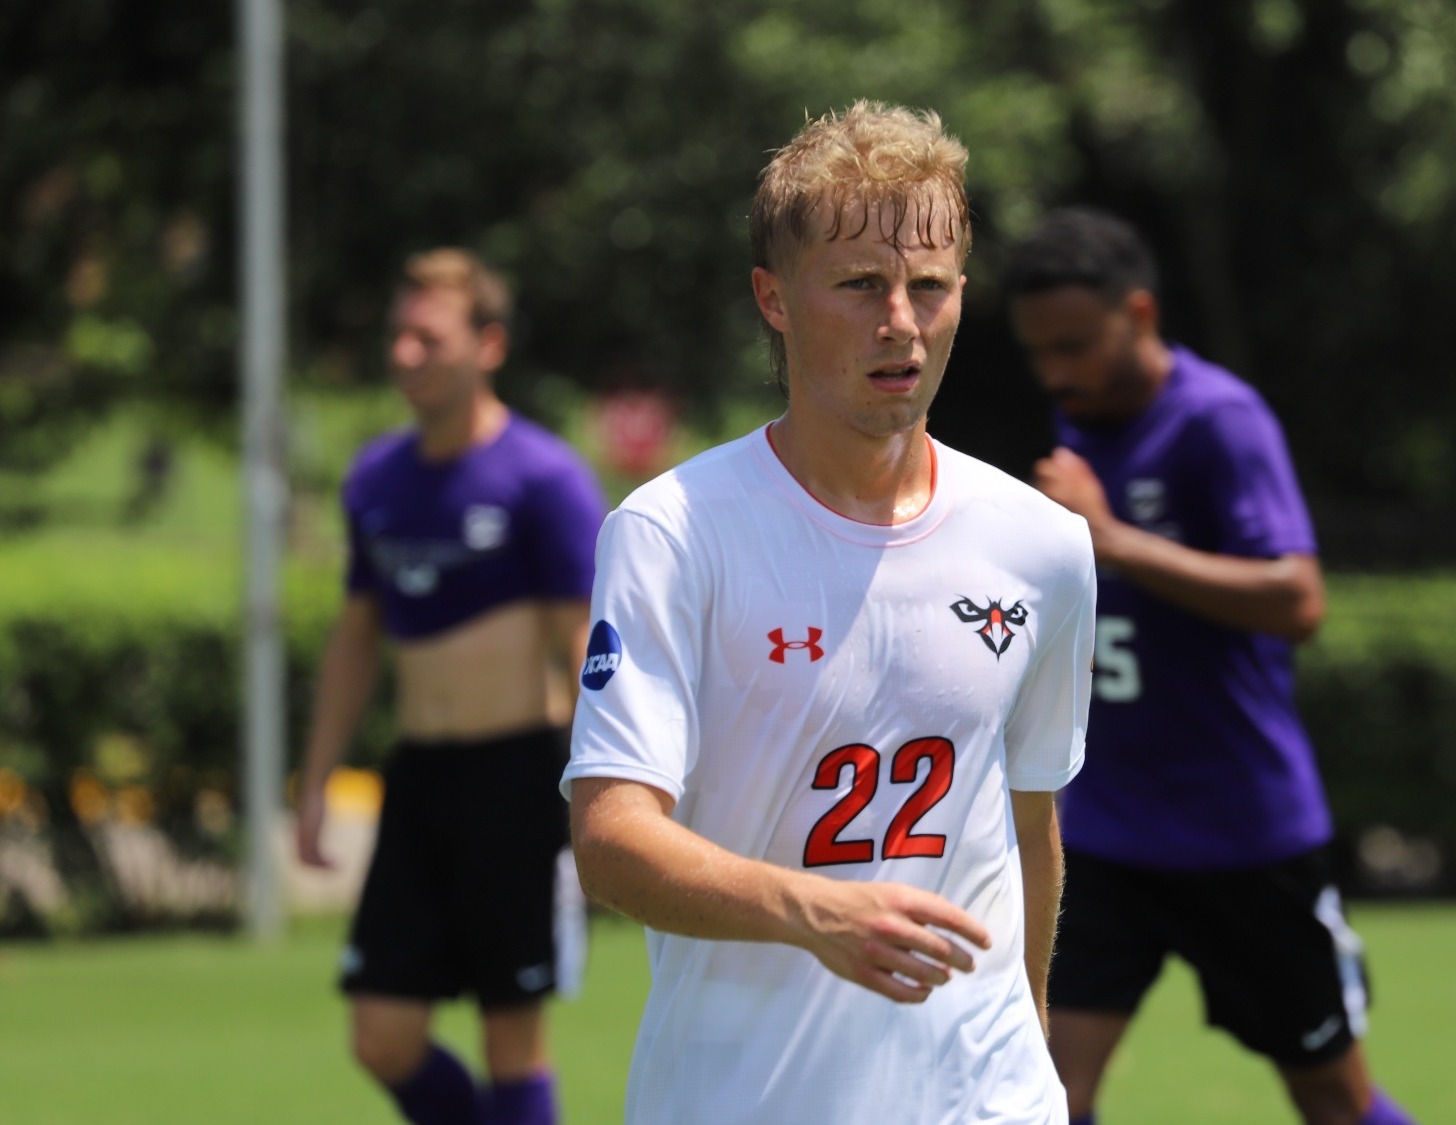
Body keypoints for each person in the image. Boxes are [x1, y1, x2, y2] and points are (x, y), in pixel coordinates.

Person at [562, 101, 1095, 1124]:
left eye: (927, 287)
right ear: (774, 297)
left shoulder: (1041, 544)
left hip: (982, 1101)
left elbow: (1029, 819)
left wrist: (1032, 1052)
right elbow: (612, 838)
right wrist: (811, 911)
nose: (900, 320)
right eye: (859, 286)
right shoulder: (674, 531)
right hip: (740, 1098)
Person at [1004, 207, 1419, 1125]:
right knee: (1040, 1095)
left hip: (1242, 835)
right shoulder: (1076, 425)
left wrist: (1113, 538)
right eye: (1041, 352)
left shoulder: (1217, 421)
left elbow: (1297, 598)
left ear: (1140, 314)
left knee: (1331, 1099)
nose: (1057, 372)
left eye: (1075, 345)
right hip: (1108, 837)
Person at [295, 248, 607, 1125]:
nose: (404, 354)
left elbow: (586, 647)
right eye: (397, 336)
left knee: (513, 1042)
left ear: (488, 344)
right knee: (380, 1036)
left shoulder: (542, 479)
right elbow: (357, 637)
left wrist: (610, 795)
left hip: (516, 780)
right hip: (418, 780)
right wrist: (316, 778)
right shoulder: (375, 480)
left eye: (427, 338)